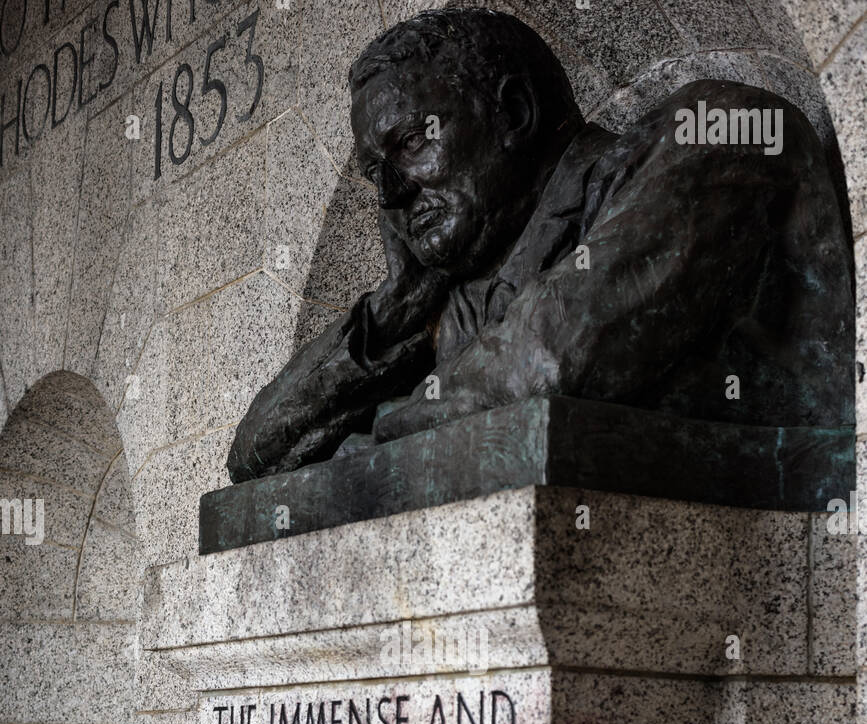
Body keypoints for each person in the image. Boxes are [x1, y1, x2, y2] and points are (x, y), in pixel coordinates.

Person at [226, 6, 853, 484]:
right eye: (373, 174)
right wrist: (394, 311)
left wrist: (357, 454)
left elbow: (550, 362)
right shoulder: (459, 298)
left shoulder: (715, 133)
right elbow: (255, 454)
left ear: (516, 112)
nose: (390, 195)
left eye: (412, 144)